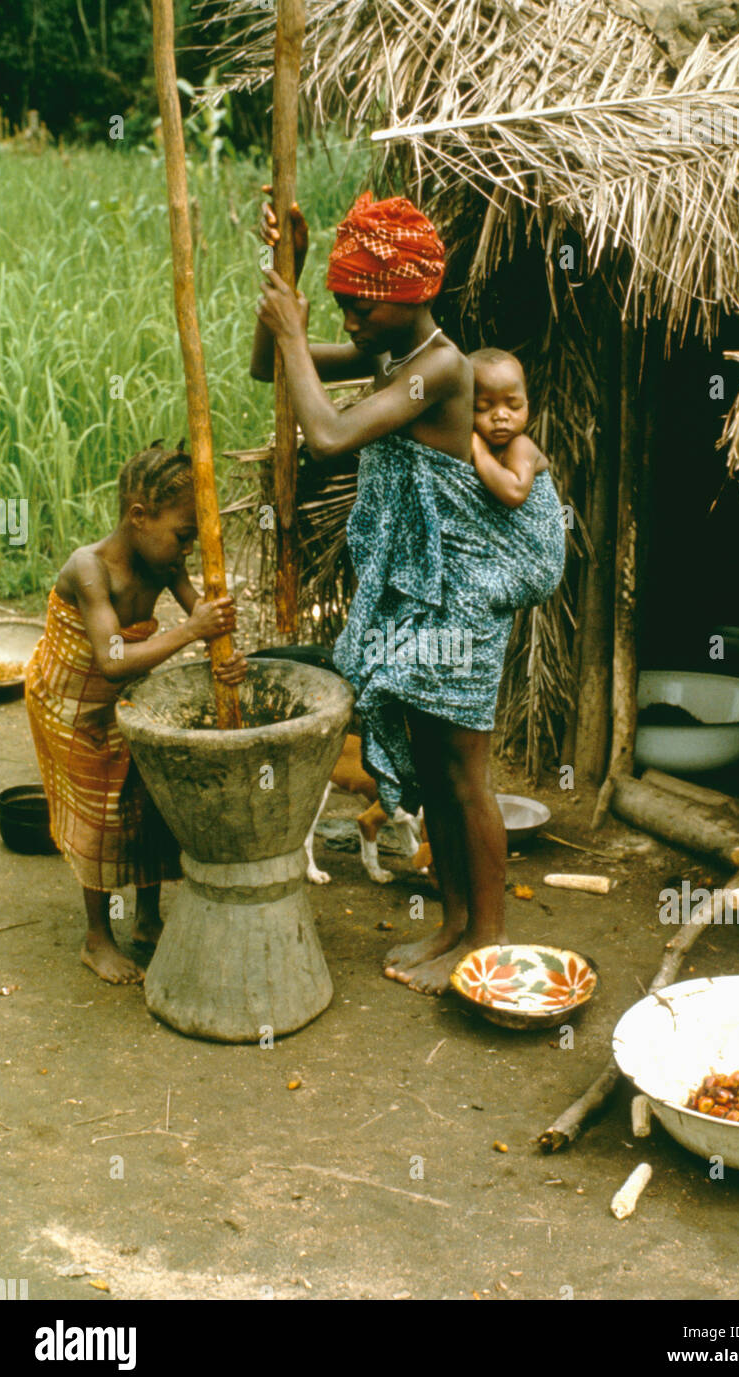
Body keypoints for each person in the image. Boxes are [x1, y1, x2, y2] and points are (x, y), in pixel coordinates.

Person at [252, 191, 566, 994]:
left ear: (409, 297)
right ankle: (453, 926)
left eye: (359, 306)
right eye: (338, 307)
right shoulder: (392, 354)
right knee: (432, 775)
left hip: (459, 601)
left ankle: (485, 942)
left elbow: (323, 436)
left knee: (465, 779)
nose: (347, 320)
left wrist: (293, 329)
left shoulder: (439, 367)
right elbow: (269, 368)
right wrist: (282, 272)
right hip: (420, 597)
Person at [25, 442, 247, 984]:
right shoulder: (90, 569)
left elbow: (201, 613)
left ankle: (147, 919)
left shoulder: (163, 561)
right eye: (182, 535)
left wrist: (225, 653)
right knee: (98, 817)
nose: (186, 550)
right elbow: (112, 658)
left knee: (148, 797)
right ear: (139, 517)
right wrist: (193, 631)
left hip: (119, 699)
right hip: (68, 705)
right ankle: (97, 938)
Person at [469, 347, 549, 508]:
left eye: (514, 406)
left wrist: (480, 452)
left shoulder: (521, 445)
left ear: (527, 405)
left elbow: (514, 493)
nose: (501, 416)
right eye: (482, 407)